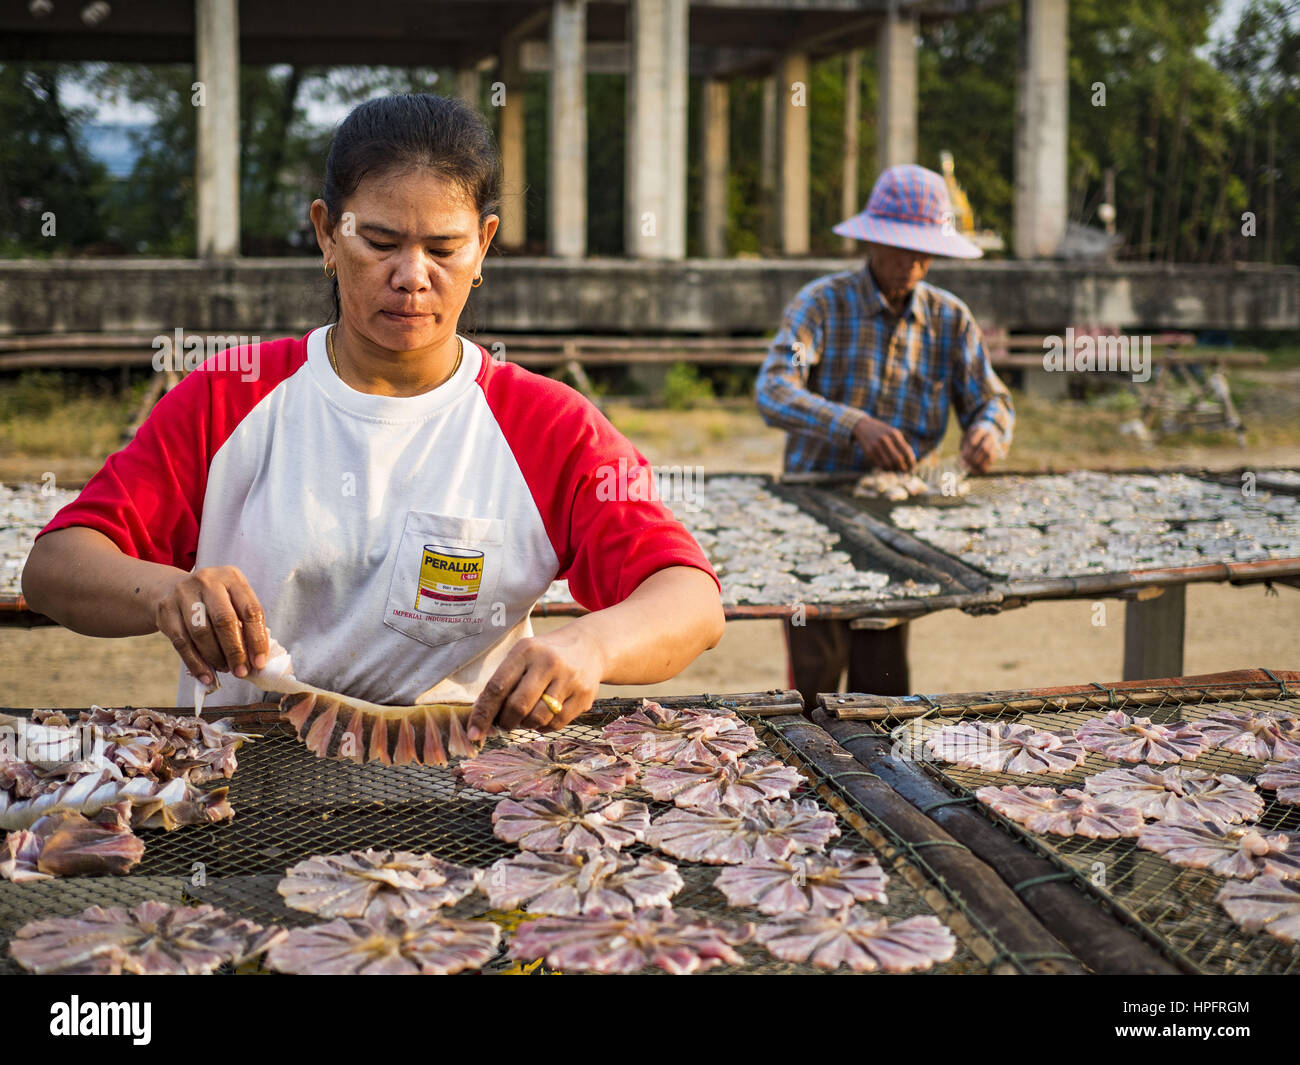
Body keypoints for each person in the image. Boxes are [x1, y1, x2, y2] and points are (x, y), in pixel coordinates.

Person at [23, 94, 725, 741]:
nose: (412, 275)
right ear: (328, 235)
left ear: (483, 245)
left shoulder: (547, 425)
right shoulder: (229, 397)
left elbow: (690, 597)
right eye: (381, 242)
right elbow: (55, 566)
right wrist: (167, 593)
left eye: (444, 248)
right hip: (246, 774)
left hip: (464, 786)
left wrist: (592, 645)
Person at [755, 163, 1013, 711]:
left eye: (924, 253)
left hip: (900, 519)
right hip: (815, 506)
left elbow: (990, 399)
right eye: (900, 249)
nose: (912, 264)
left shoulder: (951, 321)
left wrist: (987, 432)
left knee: (884, 675)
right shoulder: (819, 305)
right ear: (871, 240)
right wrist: (853, 424)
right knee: (816, 672)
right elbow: (774, 388)